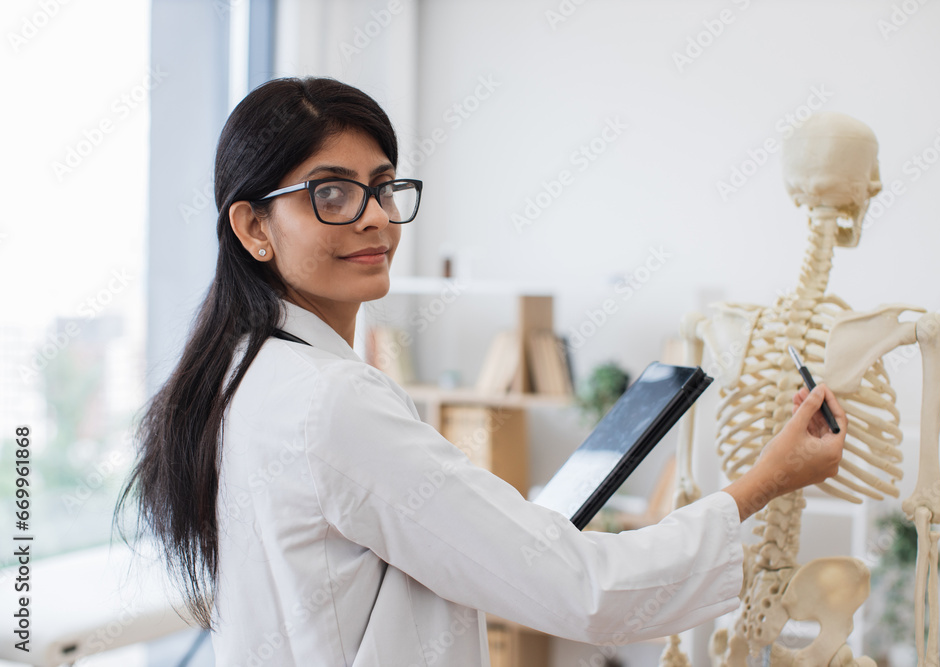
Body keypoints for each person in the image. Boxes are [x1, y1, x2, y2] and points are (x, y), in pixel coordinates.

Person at [116, 77, 846, 666]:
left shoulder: (241, 374)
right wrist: (763, 482)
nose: (374, 217)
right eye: (330, 194)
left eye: (382, 186)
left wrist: (511, 531)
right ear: (253, 228)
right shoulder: (331, 399)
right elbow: (585, 592)